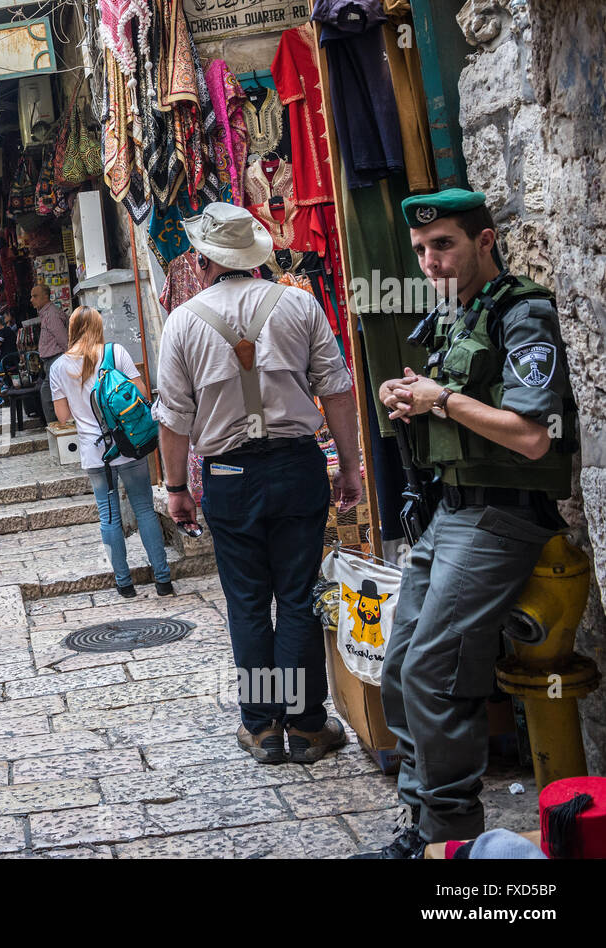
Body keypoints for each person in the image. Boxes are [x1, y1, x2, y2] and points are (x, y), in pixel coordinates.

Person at [359, 189, 576, 858]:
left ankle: (450, 838)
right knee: (398, 668)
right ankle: (421, 828)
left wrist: (442, 400)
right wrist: (413, 399)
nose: (429, 260)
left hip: (500, 518)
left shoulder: (522, 312)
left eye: (443, 245)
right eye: (421, 250)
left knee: (432, 669)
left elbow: (533, 437)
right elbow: (452, 403)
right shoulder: (458, 315)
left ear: (484, 241)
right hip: (450, 512)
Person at [153, 202, 362, 767]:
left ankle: (262, 726)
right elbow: (337, 389)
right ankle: (306, 726)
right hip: (295, 467)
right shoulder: (299, 304)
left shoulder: (182, 322)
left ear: (201, 262)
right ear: (255, 257)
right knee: (296, 597)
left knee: (247, 602)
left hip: (228, 476)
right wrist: (350, 465)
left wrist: (177, 488)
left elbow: (172, 418)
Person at [51, 306, 173, 600]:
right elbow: (141, 394)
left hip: (95, 454)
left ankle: (124, 583)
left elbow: (63, 416)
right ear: (98, 326)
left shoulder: (58, 367)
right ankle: (163, 579)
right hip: (129, 447)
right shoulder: (116, 352)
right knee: (144, 509)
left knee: (109, 517)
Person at [32, 284, 70, 424]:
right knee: (49, 393)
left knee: (47, 394)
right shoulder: (46, 313)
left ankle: (57, 426)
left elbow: (63, 339)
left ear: (46, 297)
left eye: (35, 296)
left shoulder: (51, 314)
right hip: (52, 361)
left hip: (57, 359)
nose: (32, 300)